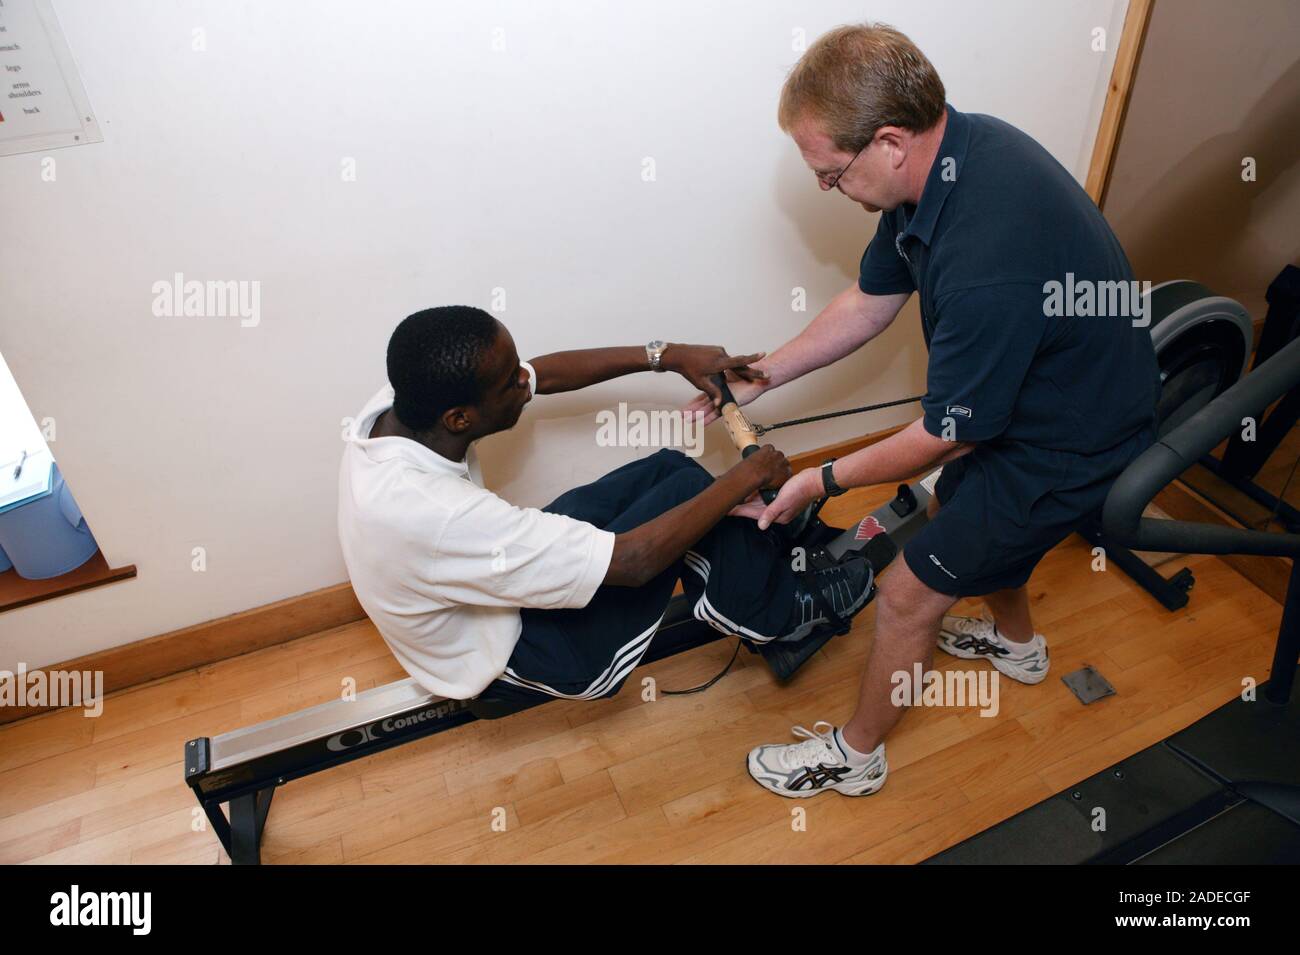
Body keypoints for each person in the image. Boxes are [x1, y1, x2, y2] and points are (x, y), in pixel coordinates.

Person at [685, 23, 1161, 797]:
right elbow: (872, 300)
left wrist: (823, 480)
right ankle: (1019, 647)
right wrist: (762, 375)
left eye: (831, 173)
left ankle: (856, 755)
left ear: (890, 141)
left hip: (1072, 437)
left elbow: (950, 431)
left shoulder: (984, 254)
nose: (824, 189)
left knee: (909, 592)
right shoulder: (952, 158)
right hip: (1038, 397)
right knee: (967, 516)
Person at [337, 306, 875, 706]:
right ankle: (778, 614)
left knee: (675, 469)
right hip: (520, 653)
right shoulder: (440, 516)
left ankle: (760, 560)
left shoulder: (400, 407)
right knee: (702, 495)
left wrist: (666, 357)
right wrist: (745, 478)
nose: (525, 381)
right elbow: (632, 563)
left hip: (480, 590)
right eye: (509, 384)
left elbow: (541, 375)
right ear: (459, 418)